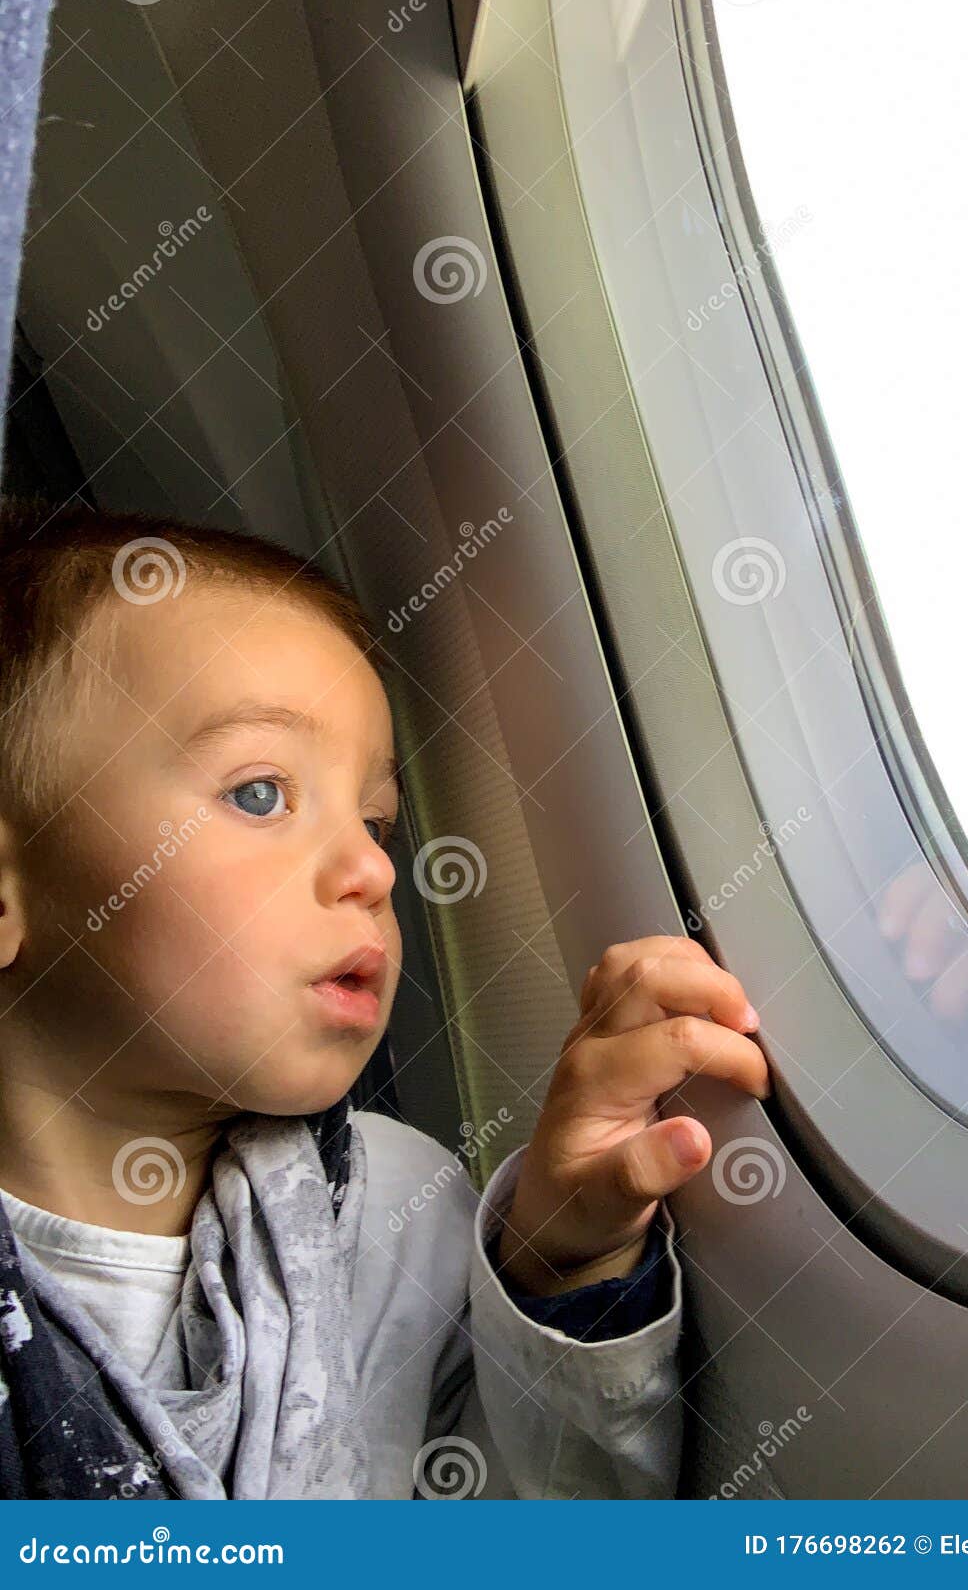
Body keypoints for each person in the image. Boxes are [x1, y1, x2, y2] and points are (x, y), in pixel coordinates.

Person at [0, 497, 769, 1500]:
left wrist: (568, 1259)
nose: (369, 866)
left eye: (376, 820)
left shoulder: (391, 1209)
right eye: (260, 794)